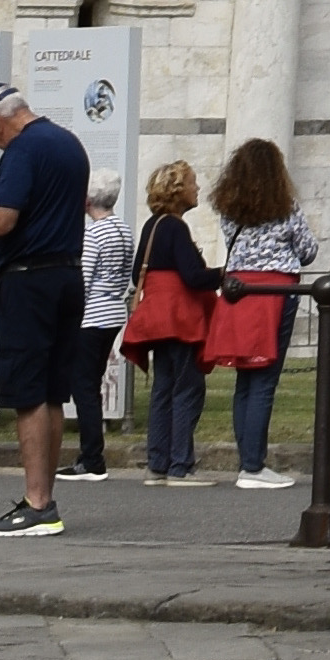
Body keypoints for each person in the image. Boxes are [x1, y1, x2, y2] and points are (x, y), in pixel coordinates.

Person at [0, 83, 88, 535]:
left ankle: (36, 504)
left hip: (28, 279)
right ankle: (45, 498)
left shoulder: (21, 151)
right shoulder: (67, 143)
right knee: (52, 393)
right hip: (67, 274)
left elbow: (2, 220)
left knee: (27, 391)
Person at [210, 138, 319, 490]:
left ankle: (248, 459)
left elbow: (231, 242)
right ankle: (254, 467)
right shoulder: (285, 208)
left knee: (245, 377)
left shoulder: (229, 209)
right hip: (276, 290)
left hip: (238, 289)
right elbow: (307, 249)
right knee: (265, 378)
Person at [120, 161, 216, 486]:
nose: (197, 188)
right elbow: (192, 276)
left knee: (163, 388)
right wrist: (225, 274)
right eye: (192, 183)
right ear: (178, 191)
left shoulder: (152, 225)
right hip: (180, 316)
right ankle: (181, 466)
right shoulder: (176, 228)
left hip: (156, 316)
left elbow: (137, 274)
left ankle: (157, 463)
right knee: (188, 388)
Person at [58, 170, 126, 482]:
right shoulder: (124, 231)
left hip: (92, 314)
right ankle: (91, 453)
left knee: (83, 385)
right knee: (91, 382)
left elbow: (82, 278)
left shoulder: (93, 235)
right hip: (113, 311)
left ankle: (91, 456)